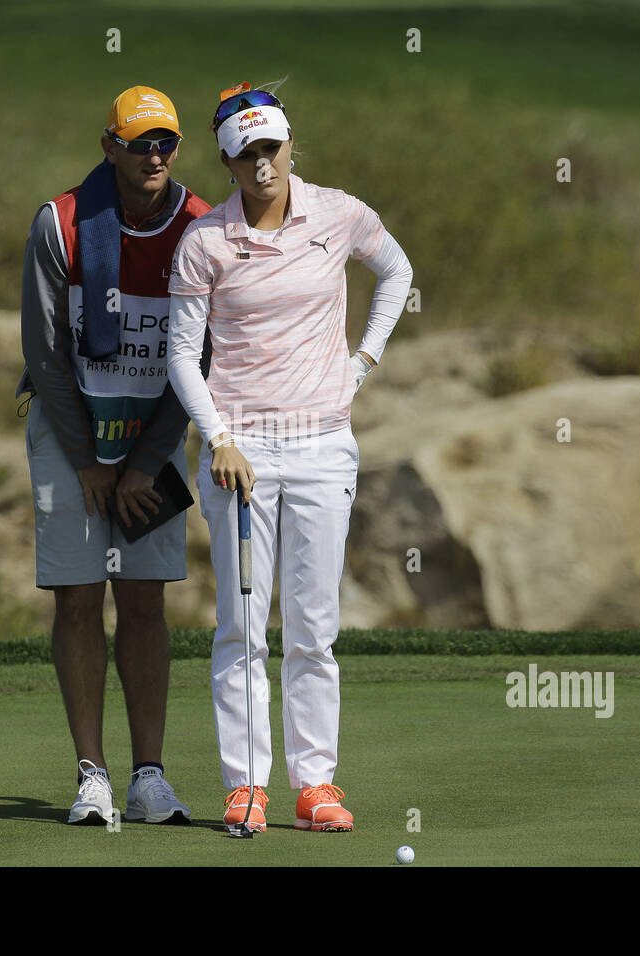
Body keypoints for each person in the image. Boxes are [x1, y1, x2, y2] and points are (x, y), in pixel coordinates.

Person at [166, 81, 413, 832]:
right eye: (246, 155)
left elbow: (396, 273)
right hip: (239, 452)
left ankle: (316, 785)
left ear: (289, 143)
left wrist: (362, 362)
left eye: (271, 148)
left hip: (323, 446)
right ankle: (246, 785)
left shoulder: (337, 214)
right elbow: (181, 356)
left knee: (313, 626)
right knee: (241, 625)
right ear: (227, 161)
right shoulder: (206, 240)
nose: (262, 165)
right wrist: (220, 438)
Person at [16, 86, 212, 825]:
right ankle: (92, 775)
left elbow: (204, 354)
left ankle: (149, 777)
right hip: (71, 435)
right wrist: (90, 461)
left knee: (144, 599)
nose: (153, 154)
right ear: (109, 147)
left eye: (164, 140)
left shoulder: (200, 226)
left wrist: (141, 462)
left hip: (154, 438)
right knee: (76, 599)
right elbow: (44, 351)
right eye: (138, 142)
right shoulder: (61, 223)